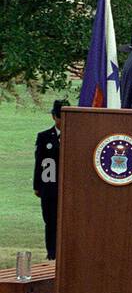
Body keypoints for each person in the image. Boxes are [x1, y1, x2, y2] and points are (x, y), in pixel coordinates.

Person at [33, 99, 67, 260]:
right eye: (61, 116)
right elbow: (39, 162)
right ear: (54, 117)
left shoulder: (77, 136)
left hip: (69, 189)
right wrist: (37, 186)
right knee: (51, 222)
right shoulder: (44, 137)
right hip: (50, 187)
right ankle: (52, 254)